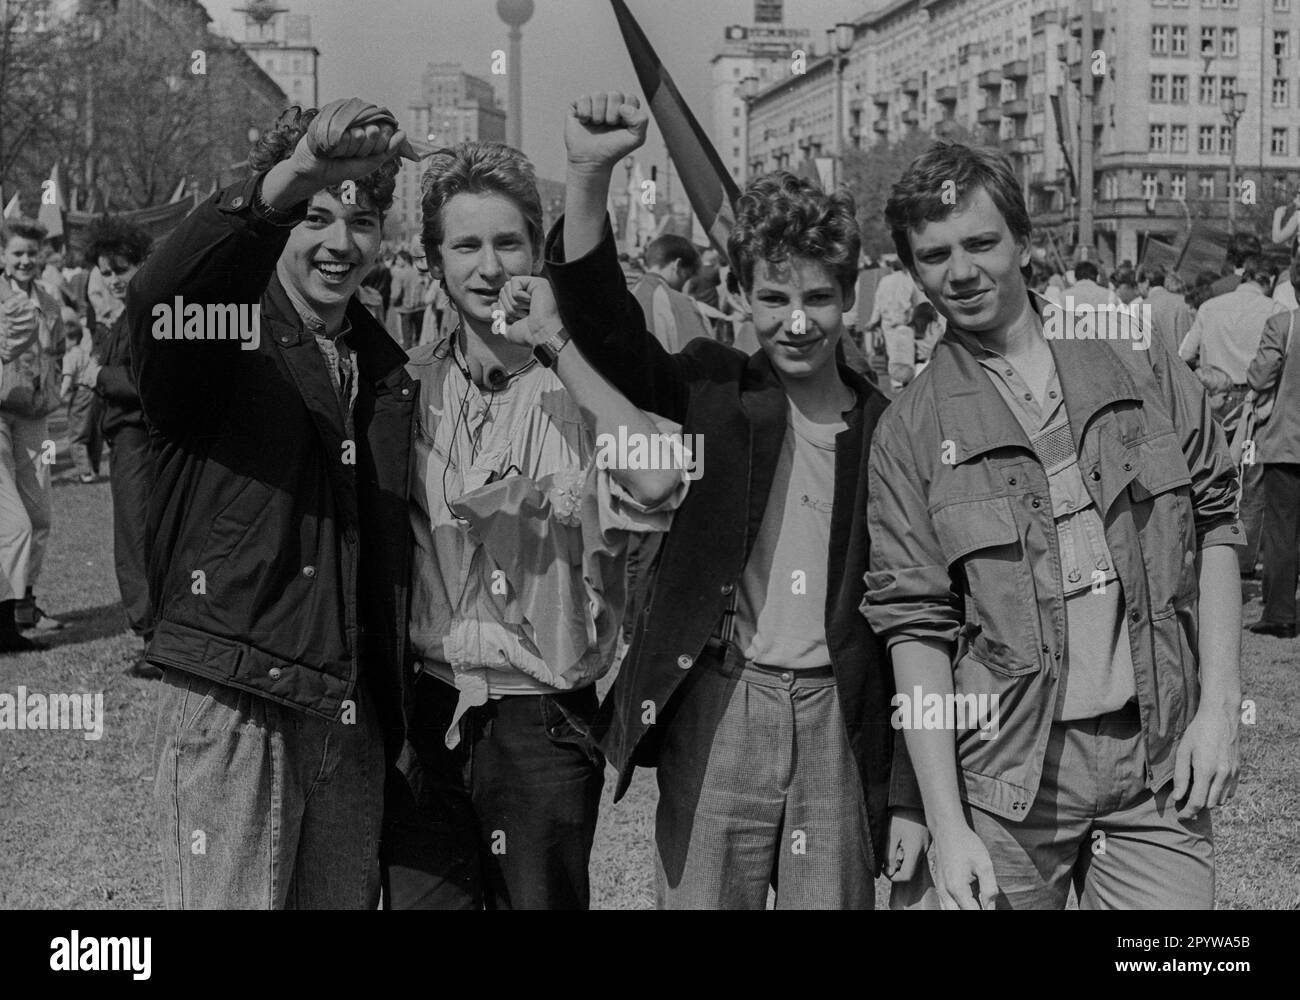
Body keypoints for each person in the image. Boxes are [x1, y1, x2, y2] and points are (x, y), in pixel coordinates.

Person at [547, 91, 929, 909]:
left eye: (818, 299)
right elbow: (605, 326)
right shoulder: (710, 389)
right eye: (774, 299)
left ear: (850, 299)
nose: (796, 323)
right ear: (741, 297)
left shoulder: (890, 431)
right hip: (723, 697)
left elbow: (922, 617)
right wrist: (589, 173)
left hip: (839, 713)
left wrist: (907, 794)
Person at [866, 140, 1243, 910]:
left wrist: (1219, 710)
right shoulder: (909, 430)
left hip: (1154, 769)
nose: (961, 272)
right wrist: (946, 821)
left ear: (1024, 242)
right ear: (912, 269)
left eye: (980, 243)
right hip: (1002, 781)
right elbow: (916, 628)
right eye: (935, 255)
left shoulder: (1139, 362)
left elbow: (1215, 527)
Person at [380, 139, 687, 910]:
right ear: (435, 260)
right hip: (431, 706)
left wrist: (556, 346)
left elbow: (658, 477)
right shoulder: (406, 385)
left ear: (535, 250)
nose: (487, 268)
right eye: (465, 245)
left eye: (507, 242)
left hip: (543, 721)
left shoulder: (579, 378)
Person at [133, 99, 417, 909]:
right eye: (313, 216)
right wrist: (289, 175)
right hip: (236, 703)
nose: (339, 243)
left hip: (344, 709)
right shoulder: (221, 332)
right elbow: (162, 297)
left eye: (361, 220)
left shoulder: (386, 366)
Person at [87, 215, 159, 678]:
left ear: (141, 263)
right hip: (125, 437)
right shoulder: (133, 308)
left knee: (136, 540)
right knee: (136, 538)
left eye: (121, 269)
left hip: (139, 438)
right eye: (105, 272)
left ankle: (155, 640)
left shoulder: (149, 309)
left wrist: (97, 376)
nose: (112, 280)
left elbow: (154, 385)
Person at [1180, 255, 1282, 578]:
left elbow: (1185, 354)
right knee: (1250, 478)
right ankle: (1243, 559)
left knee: (1212, 476)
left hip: (1213, 397)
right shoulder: (1274, 311)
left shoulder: (1210, 307)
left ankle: (1211, 551)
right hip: (1254, 402)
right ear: (1266, 281)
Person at [0, 217, 67, 648]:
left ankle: (25, 602)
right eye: (17, 253)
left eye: (31, 253)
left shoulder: (49, 300)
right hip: (1, 413)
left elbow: (57, 350)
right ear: (3, 257)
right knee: (13, 522)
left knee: (39, 514)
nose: (25, 260)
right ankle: (7, 612)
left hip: (35, 419)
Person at [1246, 257, 1300, 638]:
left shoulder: (1283, 325)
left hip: (1288, 440)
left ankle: (1280, 612)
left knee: (1281, 529)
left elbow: (1261, 375)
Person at [632, 234, 712, 353]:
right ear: (677, 265)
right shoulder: (683, 304)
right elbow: (703, 357)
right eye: (686, 276)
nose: (684, 286)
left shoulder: (625, 296)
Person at [869, 255, 920, 391]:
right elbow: (916, 303)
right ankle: (909, 380)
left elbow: (877, 304)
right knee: (907, 353)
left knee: (893, 353)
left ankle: (896, 382)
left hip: (888, 323)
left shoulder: (884, 281)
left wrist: (873, 321)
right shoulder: (908, 280)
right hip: (905, 322)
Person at [59, 325, 99, 483]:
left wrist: (58, 398)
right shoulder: (85, 353)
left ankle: (85, 472)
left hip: (80, 393)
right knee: (92, 433)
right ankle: (93, 468)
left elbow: (67, 379)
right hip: (92, 393)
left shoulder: (70, 356)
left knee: (76, 435)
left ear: (73, 339)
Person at [1141, 264, 1193, 357]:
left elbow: (1145, 346)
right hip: (1186, 364)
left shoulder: (1143, 307)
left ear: (1146, 282)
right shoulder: (1184, 302)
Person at [390, 249, 425, 349]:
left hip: (406, 308)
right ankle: (419, 354)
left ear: (404, 260)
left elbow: (396, 293)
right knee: (419, 335)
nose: (396, 262)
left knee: (407, 337)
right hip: (420, 307)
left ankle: (410, 358)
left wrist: (393, 302)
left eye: (398, 259)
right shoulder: (417, 272)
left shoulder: (400, 274)